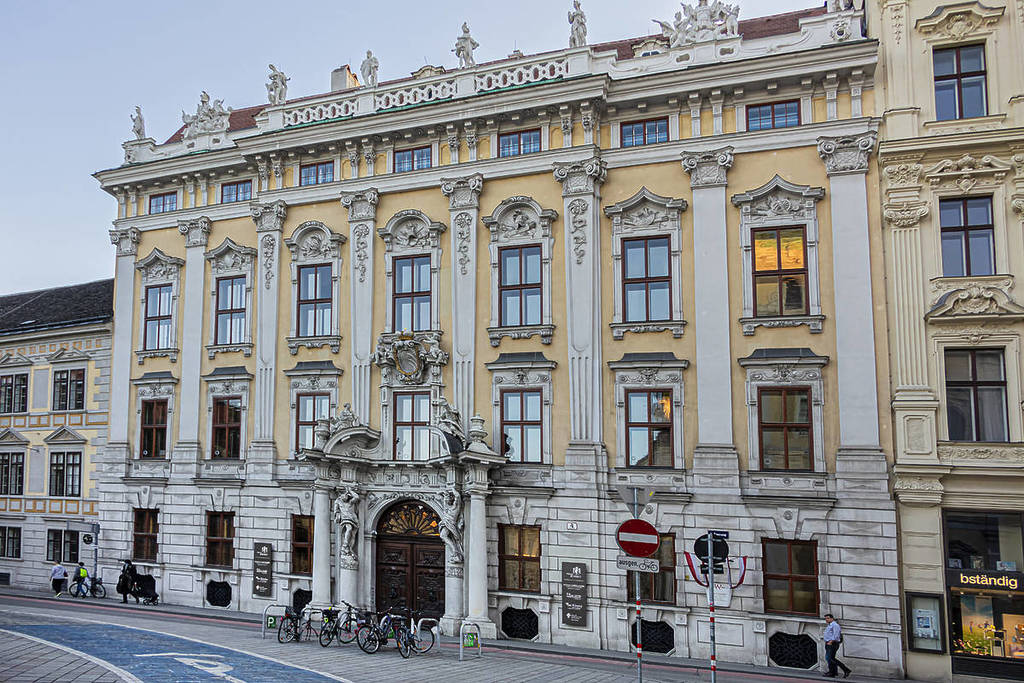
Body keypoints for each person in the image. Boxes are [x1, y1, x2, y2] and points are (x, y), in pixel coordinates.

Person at [823, 613, 851, 678]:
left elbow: (836, 635)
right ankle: (833, 672)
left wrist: (831, 641)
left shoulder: (835, 625)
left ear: (832, 618)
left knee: (830, 658)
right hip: (828, 643)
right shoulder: (829, 625)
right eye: (825, 618)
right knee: (829, 658)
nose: (826, 620)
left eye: (828, 618)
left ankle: (846, 670)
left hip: (832, 643)